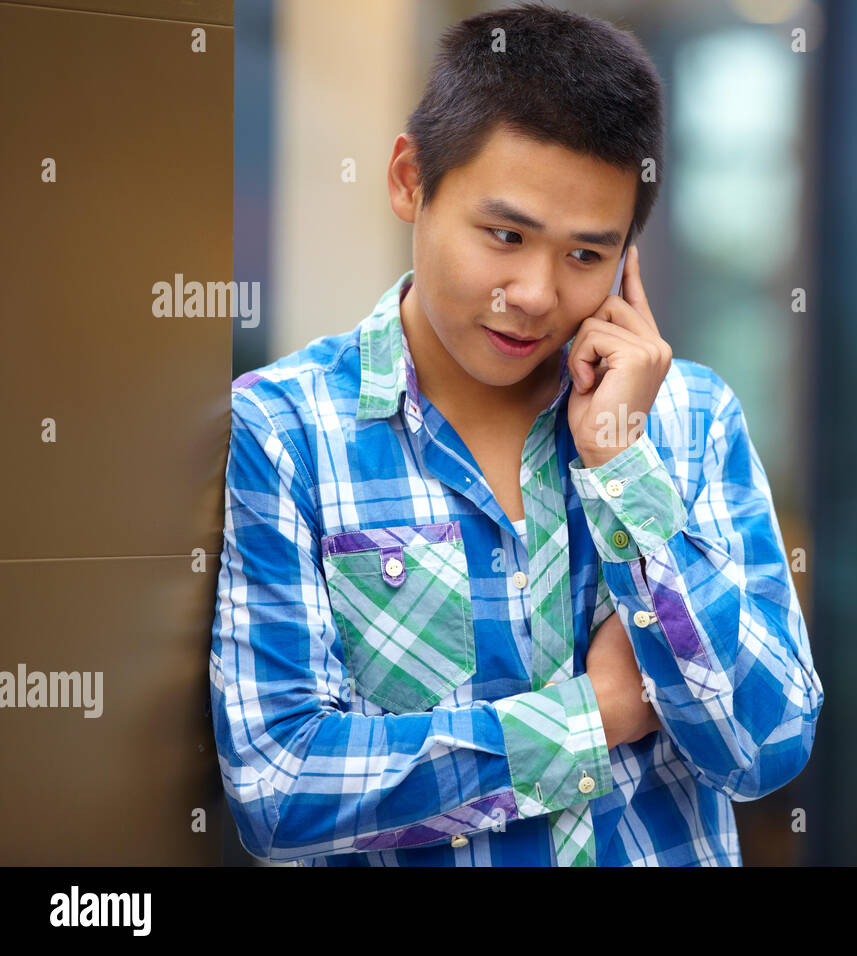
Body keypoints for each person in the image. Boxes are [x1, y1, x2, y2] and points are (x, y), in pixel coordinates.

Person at [209, 1, 822, 866]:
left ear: (627, 258)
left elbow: (768, 747)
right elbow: (279, 789)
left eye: (584, 255)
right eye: (505, 235)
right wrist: (591, 718)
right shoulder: (290, 431)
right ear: (409, 180)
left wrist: (624, 469)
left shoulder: (690, 421)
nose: (535, 293)